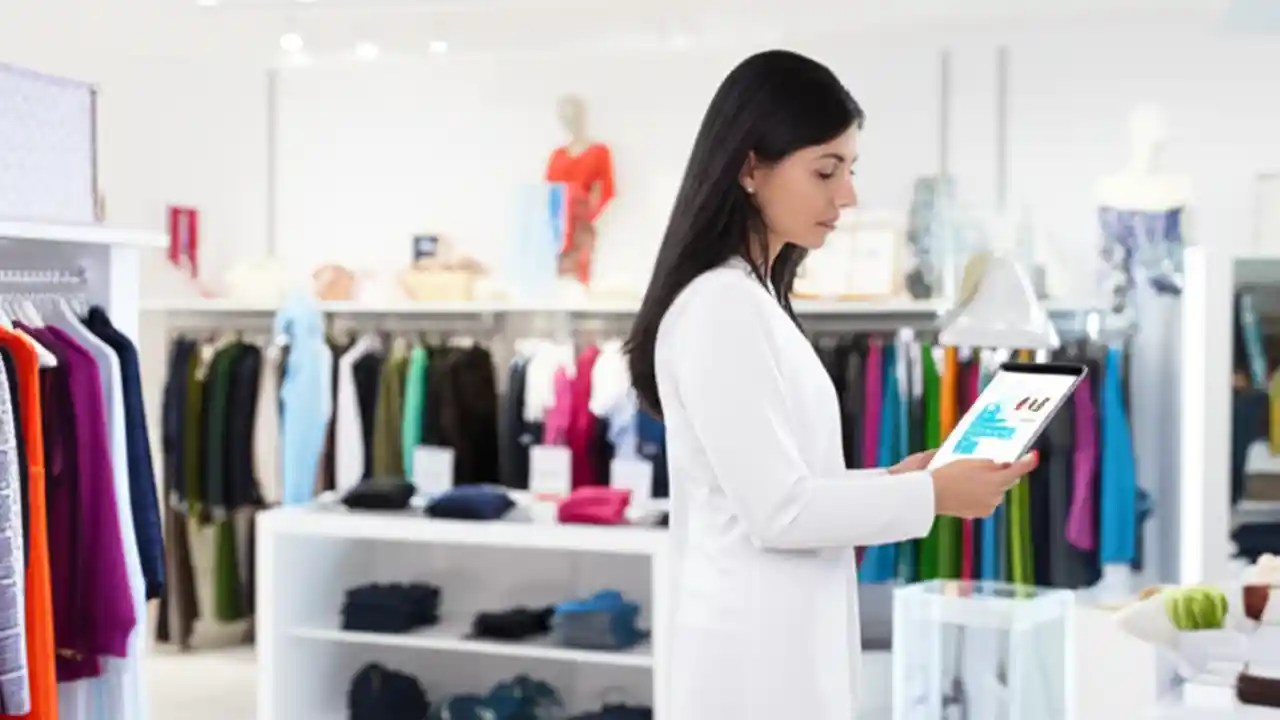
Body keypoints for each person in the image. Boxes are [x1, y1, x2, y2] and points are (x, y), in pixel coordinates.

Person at [624, 50, 1039, 719]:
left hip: (775, 643)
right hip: (750, 664)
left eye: (849, 170)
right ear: (749, 167)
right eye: (826, 171)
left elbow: (778, 487)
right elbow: (777, 511)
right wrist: (931, 495)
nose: (846, 196)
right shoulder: (721, 307)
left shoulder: (752, 300)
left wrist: (893, 480)